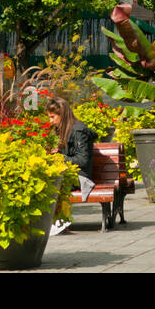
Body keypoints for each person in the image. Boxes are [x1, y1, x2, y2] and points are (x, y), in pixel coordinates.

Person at [47, 96, 96, 235]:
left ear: (62, 114)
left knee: (55, 183)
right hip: (69, 173)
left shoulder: (79, 130)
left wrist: (60, 157)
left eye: (52, 117)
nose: (50, 121)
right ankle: (54, 221)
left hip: (81, 176)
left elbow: (83, 160)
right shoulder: (63, 129)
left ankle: (59, 221)